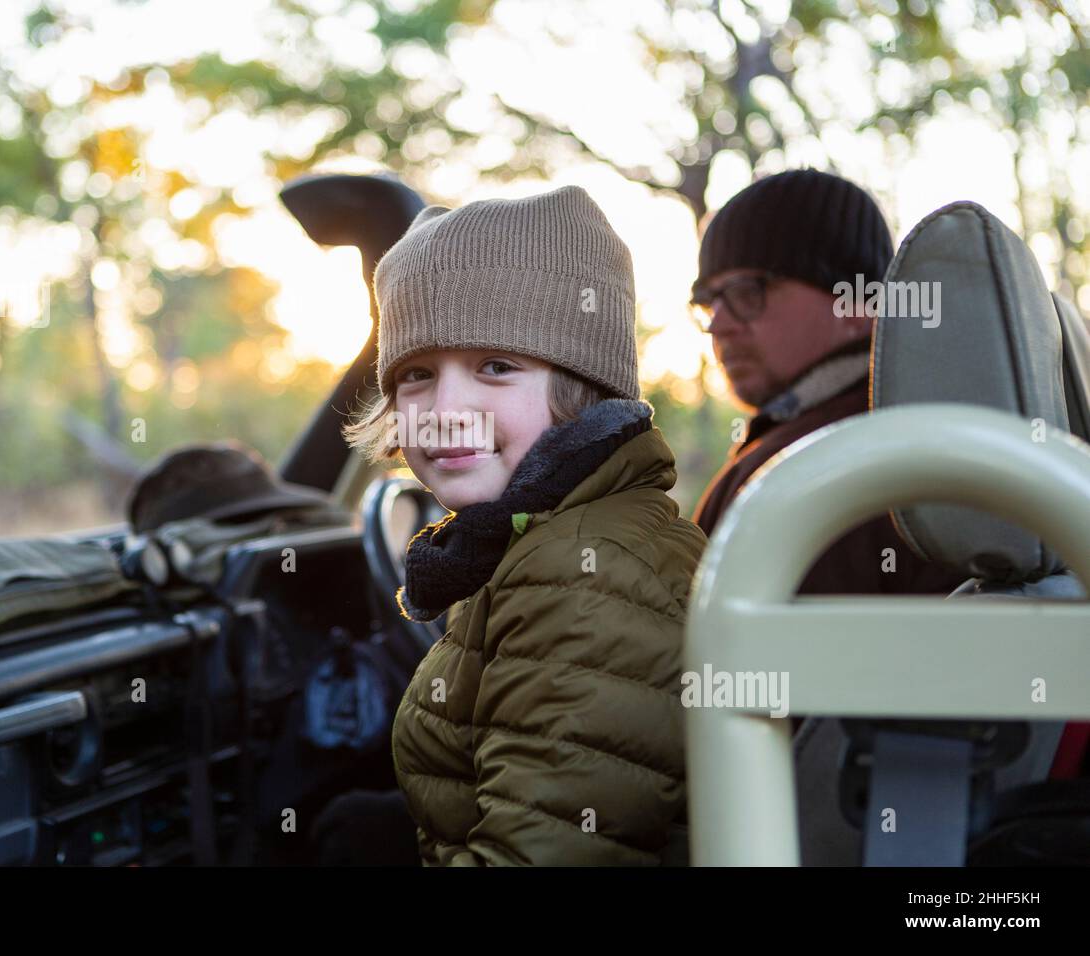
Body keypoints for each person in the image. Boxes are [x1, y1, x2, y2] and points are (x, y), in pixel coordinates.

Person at [341, 185, 706, 865]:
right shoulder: (537, 539)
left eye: (496, 367)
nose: (448, 407)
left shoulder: (582, 575)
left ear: (581, 391)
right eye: (417, 374)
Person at [690, 168, 962, 595]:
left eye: (747, 292)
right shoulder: (819, 435)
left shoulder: (847, 462)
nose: (718, 324)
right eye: (709, 301)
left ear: (854, 303)